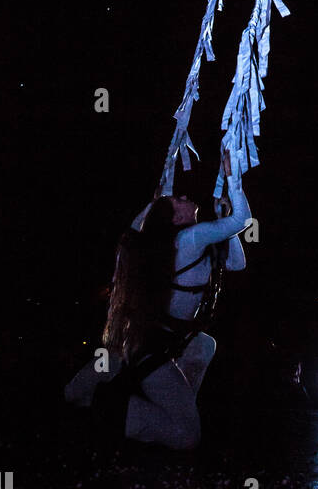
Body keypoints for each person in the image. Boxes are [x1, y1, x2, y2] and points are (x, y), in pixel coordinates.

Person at [64, 151, 252, 450]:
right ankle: (110, 409)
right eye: (177, 200)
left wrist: (221, 220)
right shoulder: (189, 239)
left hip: (167, 342)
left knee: (205, 344)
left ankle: (169, 406)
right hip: (151, 348)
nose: (184, 196)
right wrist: (233, 177)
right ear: (176, 218)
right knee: (188, 437)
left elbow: (237, 263)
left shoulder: (194, 239)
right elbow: (241, 220)